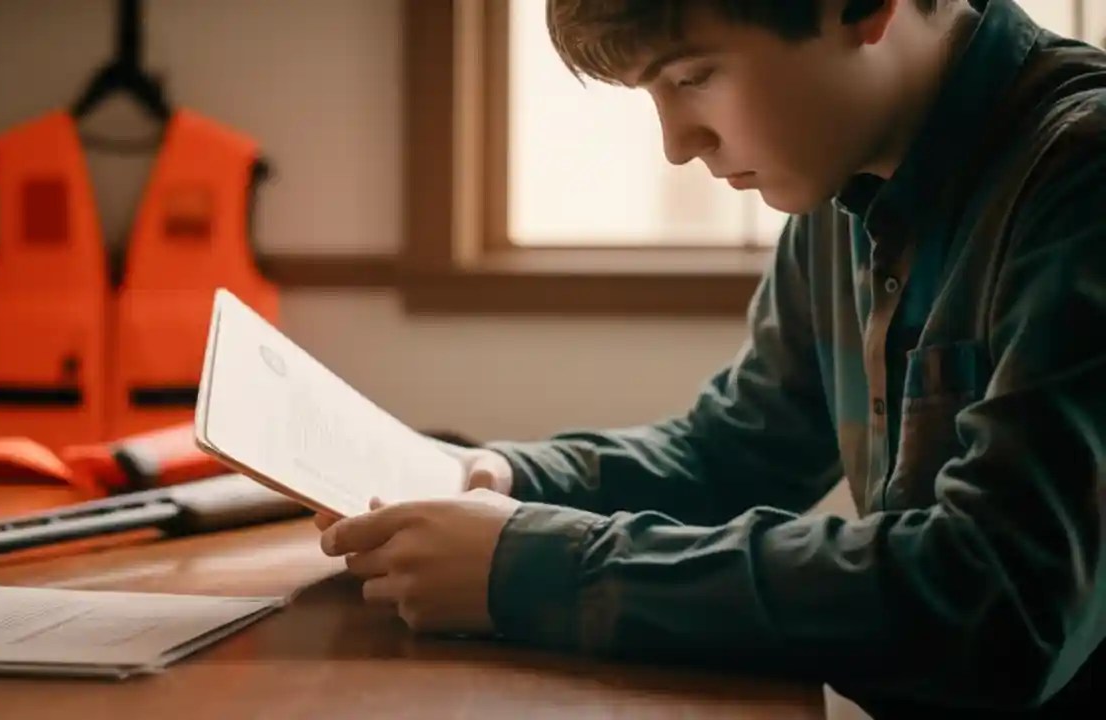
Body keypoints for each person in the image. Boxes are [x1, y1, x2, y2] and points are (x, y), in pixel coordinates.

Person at [316, 0, 1106, 716]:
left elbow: (995, 600)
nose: (676, 145)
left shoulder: (1082, 172)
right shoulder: (843, 180)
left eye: (692, 77)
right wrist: (504, 478)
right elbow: (733, 452)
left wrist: (535, 565)